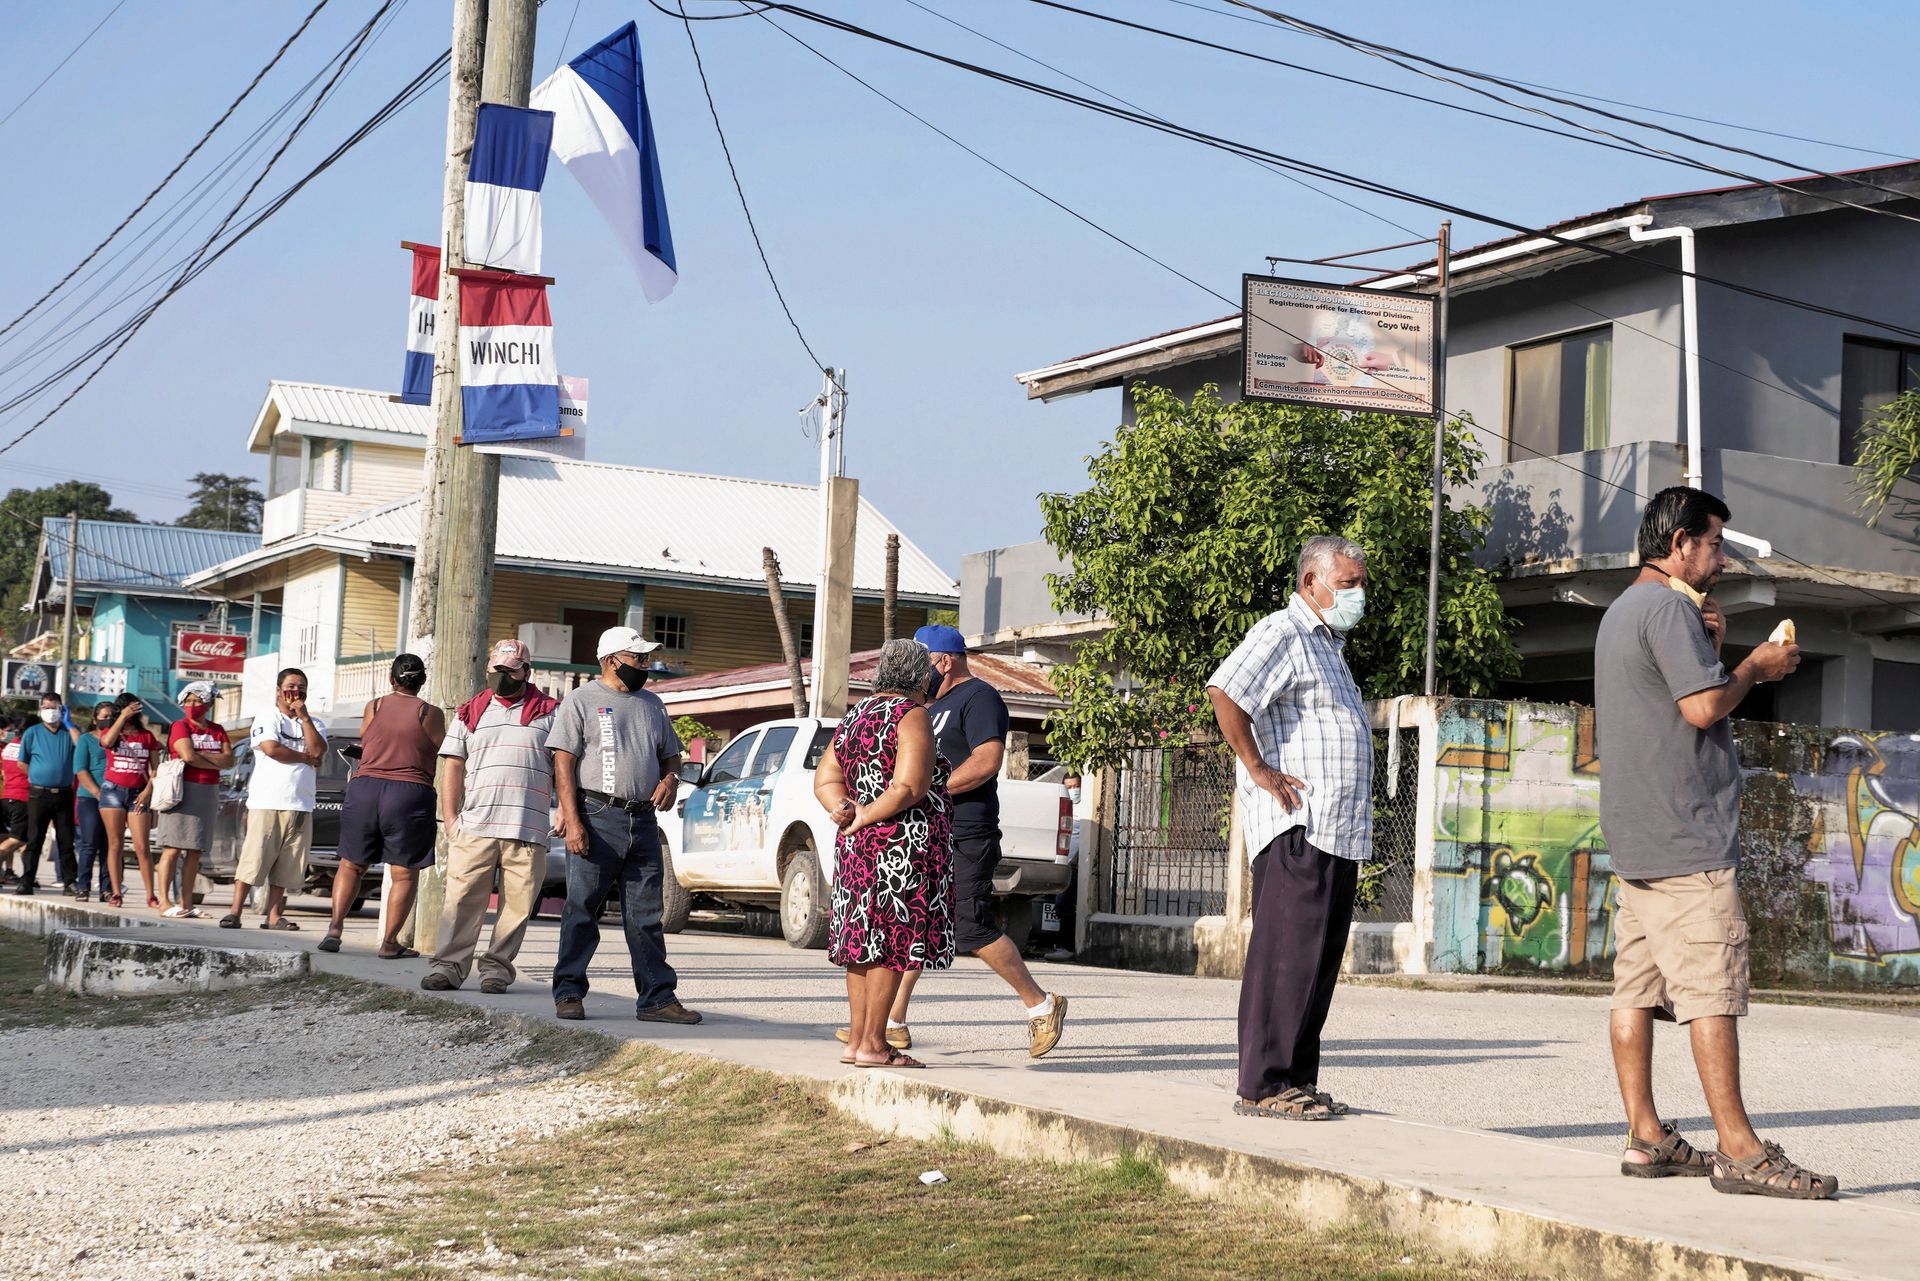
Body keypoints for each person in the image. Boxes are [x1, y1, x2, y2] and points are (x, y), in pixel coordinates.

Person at [1596, 487, 1836, 1199]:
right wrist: (1754, 669)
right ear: (1678, 543)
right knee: (1711, 993)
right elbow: (1702, 707)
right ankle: (1741, 1151)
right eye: (1713, 543)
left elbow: (1674, 699)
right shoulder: (1668, 608)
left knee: (1634, 989)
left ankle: (1646, 1135)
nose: (1722, 557)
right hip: (1687, 839)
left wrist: (1716, 650)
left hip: (1638, 839)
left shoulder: (1624, 611)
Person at [1206, 534, 1374, 1122]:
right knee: (1285, 955)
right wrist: (1256, 767)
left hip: (1336, 827)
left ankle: (1297, 1077)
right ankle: (1262, 1082)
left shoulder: (1330, 645)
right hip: (1297, 823)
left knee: (1317, 957)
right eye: (1348, 585)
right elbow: (1226, 691)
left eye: (1360, 584)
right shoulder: (1284, 631)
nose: (1358, 595)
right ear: (1312, 583)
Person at [869, 624, 1067, 1059]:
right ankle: (891, 1024)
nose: (920, 673)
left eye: (924, 663)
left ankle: (1042, 1005)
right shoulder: (928, 705)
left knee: (968, 926)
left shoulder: (979, 698)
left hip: (967, 830)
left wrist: (930, 789)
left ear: (944, 660)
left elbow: (985, 761)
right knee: (913, 923)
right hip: (929, 829)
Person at [814, 638, 955, 1069]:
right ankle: (875, 1045)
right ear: (919, 676)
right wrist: (868, 816)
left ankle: (858, 1042)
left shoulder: (857, 714)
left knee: (860, 944)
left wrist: (844, 808)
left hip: (857, 850)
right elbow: (909, 787)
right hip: (899, 847)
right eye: (929, 671)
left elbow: (825, 779)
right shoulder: (911, 715)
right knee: (893, 945)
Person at [548, 626, 700, 1024]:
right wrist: (573, 820)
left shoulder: (652, 704)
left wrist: (670, 780)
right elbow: (562, 763)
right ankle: (568, 991)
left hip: (643, 820)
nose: (645, 666)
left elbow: (671, 756)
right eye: (638, 658)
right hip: (597, 816)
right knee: (582, 908)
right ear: (612, 660)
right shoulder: (580, 701)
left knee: (647, 915)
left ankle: (656, 999)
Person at [423, 639, 558, 993]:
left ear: (526, 671)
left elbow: (564, 765)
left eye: (511, 670)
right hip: (475, 826)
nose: (503, 677)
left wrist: (564, 814)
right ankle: (448, 966)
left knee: (517, 908)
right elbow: (453, 764)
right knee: (461, 901)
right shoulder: (470, 712)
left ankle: (497, 970)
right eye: (497, 670)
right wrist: (450, 819)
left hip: (527, 829)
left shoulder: (551, 712)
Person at [321, 654, 444, 957]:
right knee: (404, 873)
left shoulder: (374, 706)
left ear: (392, 679)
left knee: (351, 864)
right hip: (409, 793)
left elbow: (368, 738)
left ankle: (335, 929)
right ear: (422, 681)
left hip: (365, 789)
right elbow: (444, 747)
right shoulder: (429, 712)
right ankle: (389, 942)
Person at [222, 668, 326, 931]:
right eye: (290, 686)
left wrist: (303, 718)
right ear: (278, 691)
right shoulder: (268, 716)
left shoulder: (314, 723)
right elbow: (271, 749)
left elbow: (319, 750)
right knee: (253, 859)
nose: (296, 691)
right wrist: (304, 758)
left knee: (288, 864)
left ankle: (274, 915)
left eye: (301, 686)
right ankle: (235, 912)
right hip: (268, 801)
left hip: (300, 803)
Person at [153, 682, 234, 919]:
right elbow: (187, 756)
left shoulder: (218, 729)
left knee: (195, 850)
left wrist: (202, 757)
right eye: (188, 701)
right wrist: (214, 758)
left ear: (207, 704)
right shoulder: (180, 725)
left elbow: (230, 760)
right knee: (172, 848)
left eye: (197, 701)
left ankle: (186, 902)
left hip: (208, 791)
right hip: (182, 790)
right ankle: (164, 901)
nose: (192, 706)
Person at [98, 693, 162, 909]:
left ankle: (151, 895)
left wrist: (147, 791)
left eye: (135, 708)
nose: (132, 712)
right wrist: (121, 717)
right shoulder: (112, 732)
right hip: (112, 791)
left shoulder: (147, 737)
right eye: (128, 708)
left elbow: (156, 769)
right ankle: (116, 893)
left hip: (138, 793)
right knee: (114, 844)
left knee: (142, 847)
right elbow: (106, 742)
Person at [15, 693, 80, 896]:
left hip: (64, 794)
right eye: (45, 707)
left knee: (66, 840)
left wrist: (69, 724)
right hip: (39, 793)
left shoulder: (69, 732)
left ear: (62, 709)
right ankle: (27, 880)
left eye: (54, 707)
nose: (49, 711)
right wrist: (38, 776)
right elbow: (22, 762)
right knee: (34, 840)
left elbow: (81, 745)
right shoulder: (32, 733)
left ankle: (69, 882)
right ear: (40, 709)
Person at [72, 703, 120, 903]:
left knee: (110, 845)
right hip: (90, 798)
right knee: (89, 844)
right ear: (95, 719)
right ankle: (83, 886)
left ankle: (107, 888)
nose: (107, 719)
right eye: (104, 716)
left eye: (111, 716)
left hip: (115, 799)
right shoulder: (86, 740)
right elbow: (80, 770)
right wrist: (98, 793)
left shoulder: (119, 740)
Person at [1, 715, 33, 885]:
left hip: (7, 795)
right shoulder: (28, 746)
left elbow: (4, 772)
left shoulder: (10, 745)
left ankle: (28, 876)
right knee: (17, 839)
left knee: (22, 841)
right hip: (22, 797)